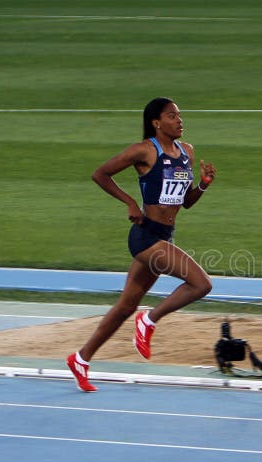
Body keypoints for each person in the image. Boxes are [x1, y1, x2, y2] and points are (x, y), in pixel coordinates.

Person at [66, 97, 216, 392]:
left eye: (180, 115)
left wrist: (203, 185)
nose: (179, 120)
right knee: (201, 284)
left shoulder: (187, 152)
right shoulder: (144, 150)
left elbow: (184, 203)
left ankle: (81, 359)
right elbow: (101, 174)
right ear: (156, 123)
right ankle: (149, 320)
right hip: (146, 237)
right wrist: (130, 202)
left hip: (165, 236)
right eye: (172, 116)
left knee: (125, 306)